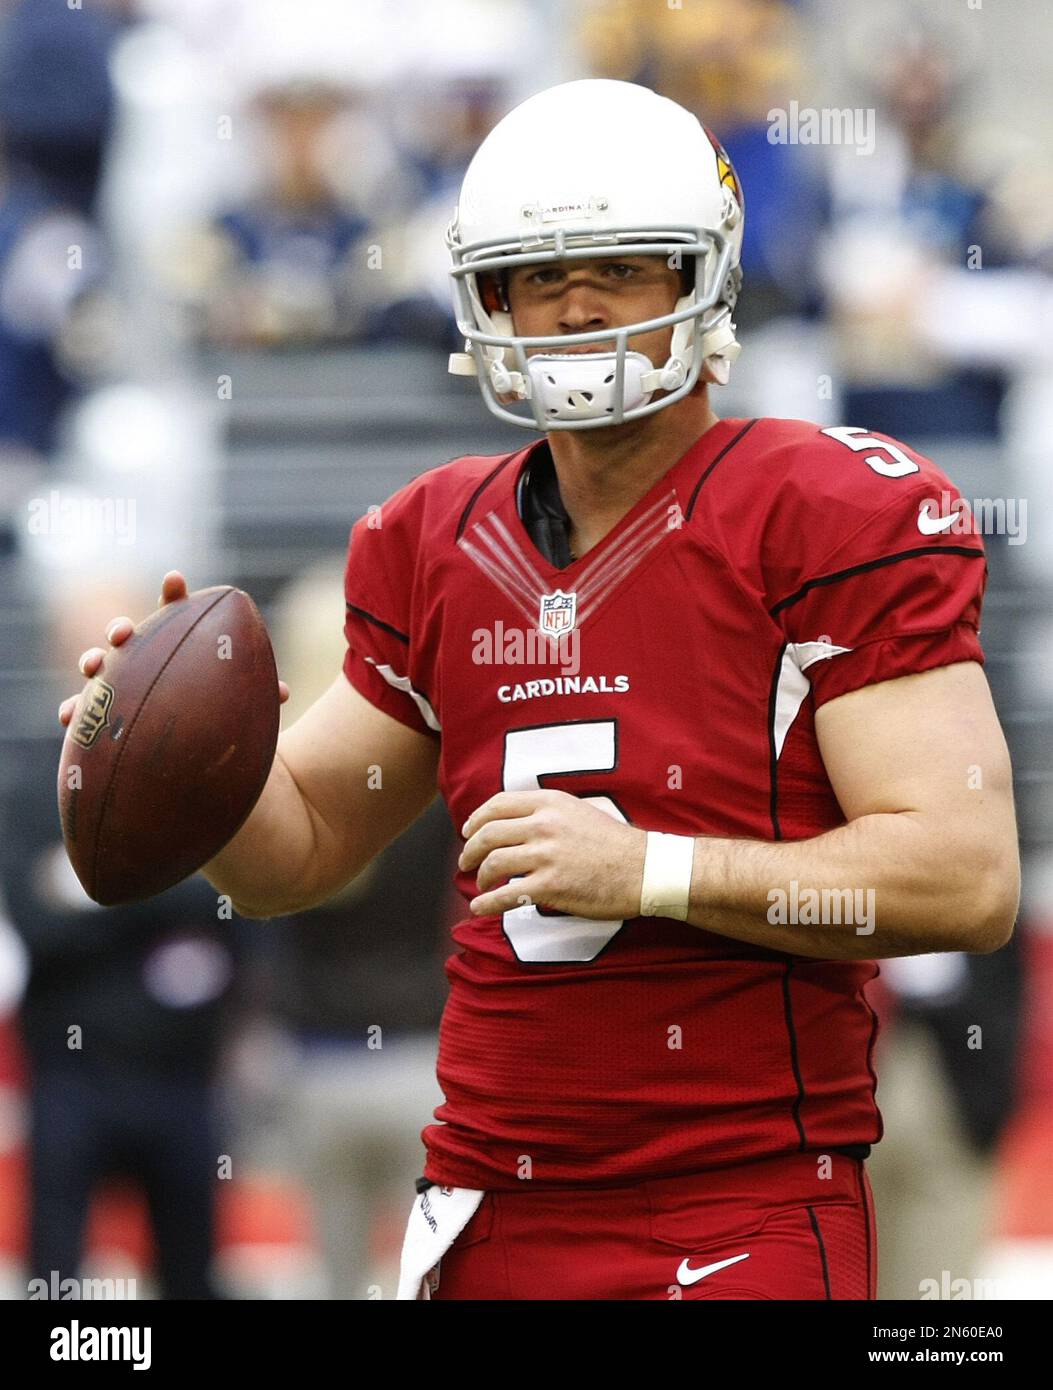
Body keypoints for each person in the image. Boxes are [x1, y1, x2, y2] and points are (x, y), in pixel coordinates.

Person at [59, 79, 1020, 1301]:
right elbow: (294, 853)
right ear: (482, 297)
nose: (575, 305)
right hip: (485, 1199)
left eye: (623, 266)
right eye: (537, 274)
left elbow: (968, 877)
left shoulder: (826, 511)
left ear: (701, 278)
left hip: (735, 1200)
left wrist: (651, 869)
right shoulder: (434, 534)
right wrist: (172, 757)